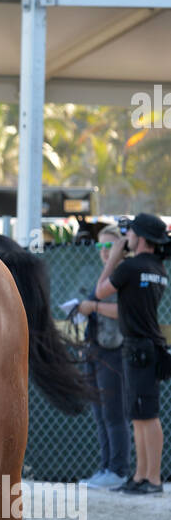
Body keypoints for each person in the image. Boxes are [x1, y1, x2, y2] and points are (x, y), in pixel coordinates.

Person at [95, 212, 169, 495]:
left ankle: (152, 479)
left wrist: (115, 255)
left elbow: (100, 291)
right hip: (150, 348)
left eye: (131, 234)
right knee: (141, 415)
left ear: (140, 238)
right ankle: (141, 476)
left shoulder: (130, 267)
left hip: (138, 348)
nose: (127, 238)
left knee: (146, 416)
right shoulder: (158, 268)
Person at [76, 224, 129, 489]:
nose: (104, 252)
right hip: (95, 348)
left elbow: (124, 311)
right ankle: (106, 467)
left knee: (113, 413)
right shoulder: (104, 275)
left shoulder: (122, 275)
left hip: (114, 351)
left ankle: (118, 470)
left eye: (109, 246)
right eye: (100, 246)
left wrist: (93, 306)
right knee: (100, 413)